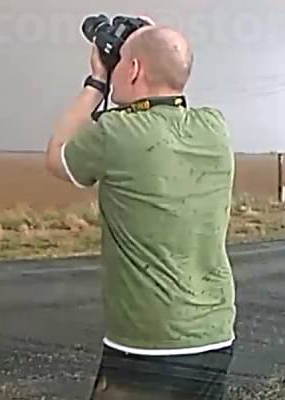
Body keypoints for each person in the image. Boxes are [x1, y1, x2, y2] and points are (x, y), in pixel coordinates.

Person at [44, 22, 237, 399]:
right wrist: (151, 43)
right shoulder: (214, 127)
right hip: (214, 335)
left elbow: (57, 157)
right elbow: (169, 82)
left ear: (132, 70)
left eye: (121, 64)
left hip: (147, 342)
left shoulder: (116, 133)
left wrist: (96, 82)